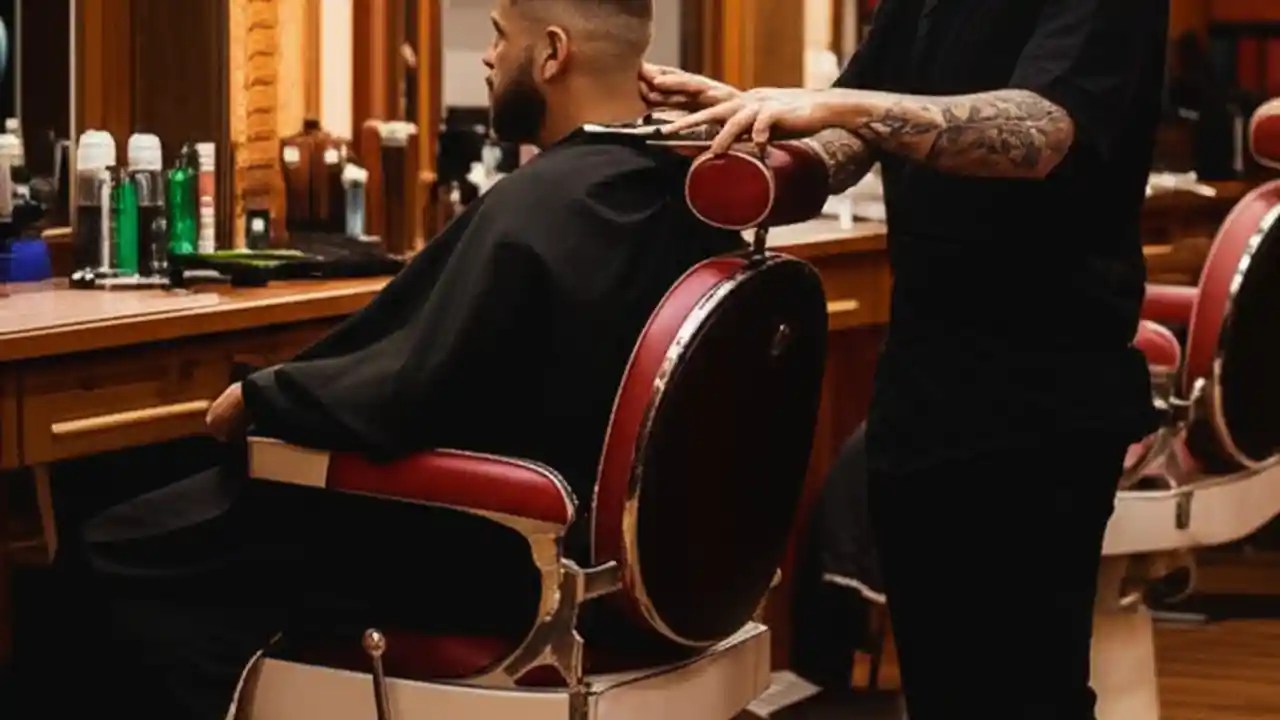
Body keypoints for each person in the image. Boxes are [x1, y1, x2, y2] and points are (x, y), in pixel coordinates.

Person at [61, 1, 743, 717]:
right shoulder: (677, 188)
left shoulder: (542, 205)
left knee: (112, 544)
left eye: (497, 38)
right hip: (603, 559)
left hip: (474, 556)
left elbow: (408, 389)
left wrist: (262, 397)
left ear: (550, 53)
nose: (487, 59)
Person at [644, 1, 1168, 718]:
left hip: (1045, 397)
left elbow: (1042, 131)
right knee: (941, 689)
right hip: (922, 385)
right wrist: (756, 126)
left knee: (1025, 692)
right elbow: (850, 141)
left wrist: (839, 105)